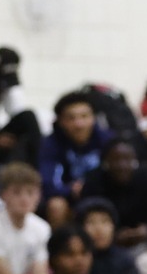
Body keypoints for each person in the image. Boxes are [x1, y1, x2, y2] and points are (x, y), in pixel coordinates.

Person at [38, 91, 109, 222]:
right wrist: (69, 189)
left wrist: (89, 187)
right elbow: (48, 183)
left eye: (84, 116)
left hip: (102, 195)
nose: (79, 124)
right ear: (60, 121)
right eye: (71, 118)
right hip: (69, 199)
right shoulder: (50, 145)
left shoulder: (108, 140)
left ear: (93, 117)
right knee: (56, 205)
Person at [87, 136, 147, 244]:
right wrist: (113, 234)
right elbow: (86, 218)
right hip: (105, 242)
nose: (122, 165)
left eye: (127, 159)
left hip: (146, 240)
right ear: (106, 161)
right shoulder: (94, 180)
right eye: (115, 159)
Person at [78, 197, 143, 274]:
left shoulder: (125, 259)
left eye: (105, 221)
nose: (99, 229)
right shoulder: (77, 260)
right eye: (91, 222)